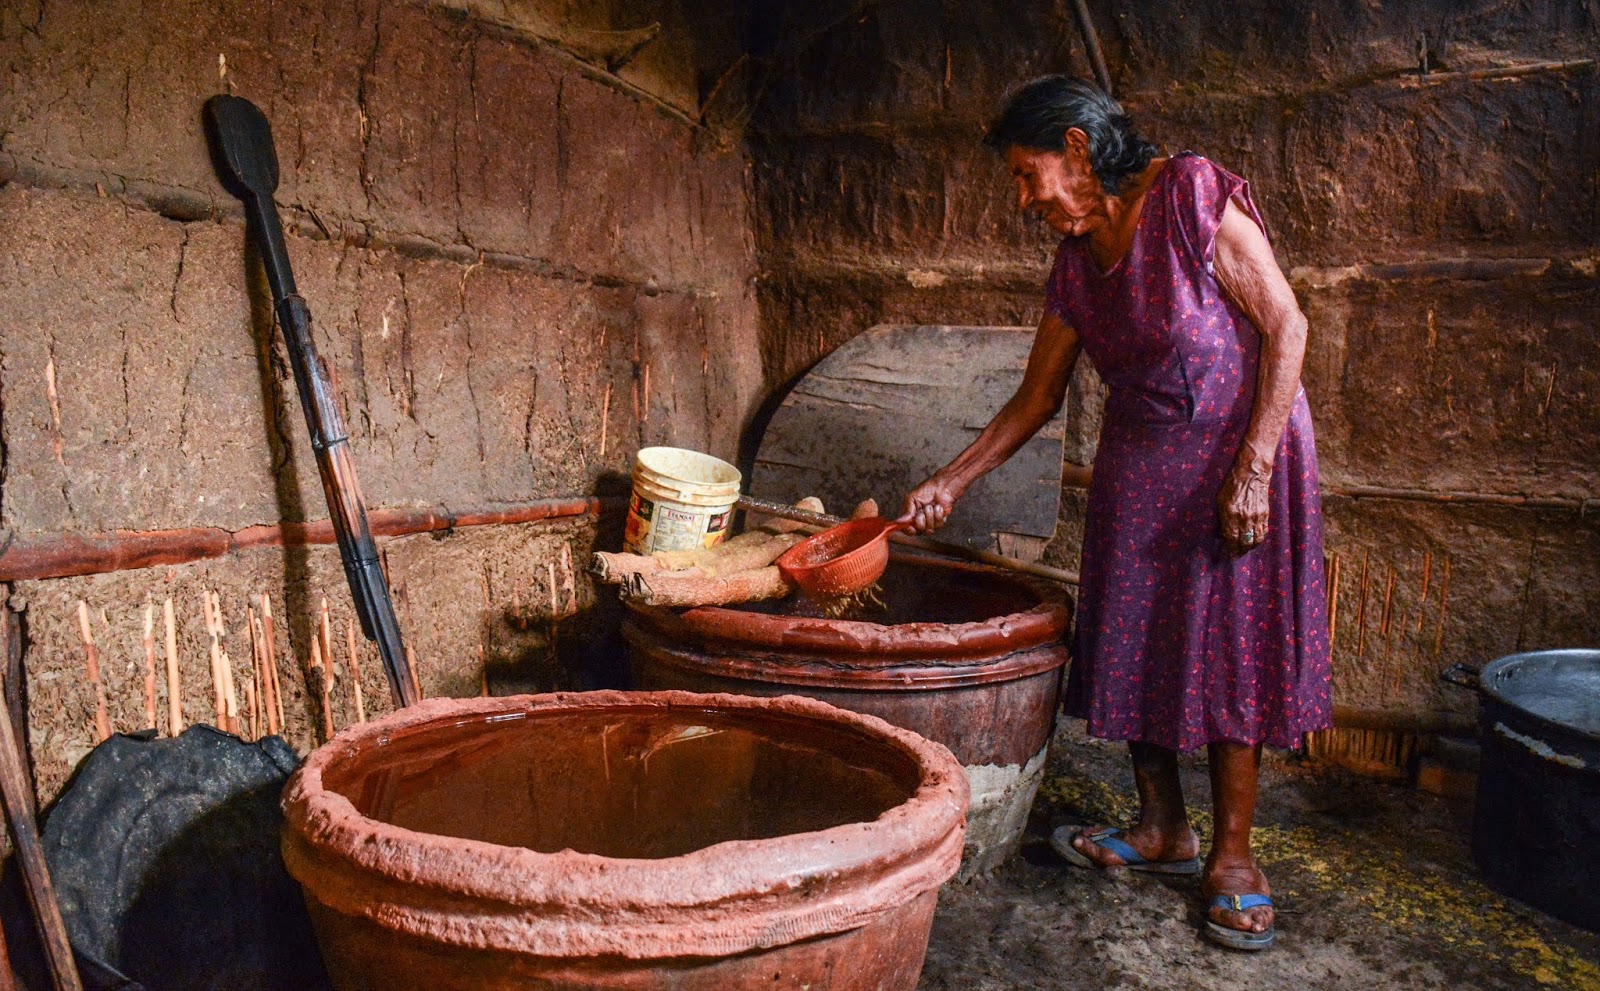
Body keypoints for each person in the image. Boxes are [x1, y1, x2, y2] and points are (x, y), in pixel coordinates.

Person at [900, 76, 1332, 951]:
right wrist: (952, 480)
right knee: (1133, 634)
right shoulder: (1074, 265)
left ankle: (1237, 857)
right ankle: (1163, 828)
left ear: (1080, 149)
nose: (1024, 199)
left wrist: (1254, 469)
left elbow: (1287, 326)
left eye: (1028, 175)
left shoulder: (1189, 196)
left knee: (1227, 648)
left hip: (1238, 450)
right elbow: (1036, 397)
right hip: (1141, 465)